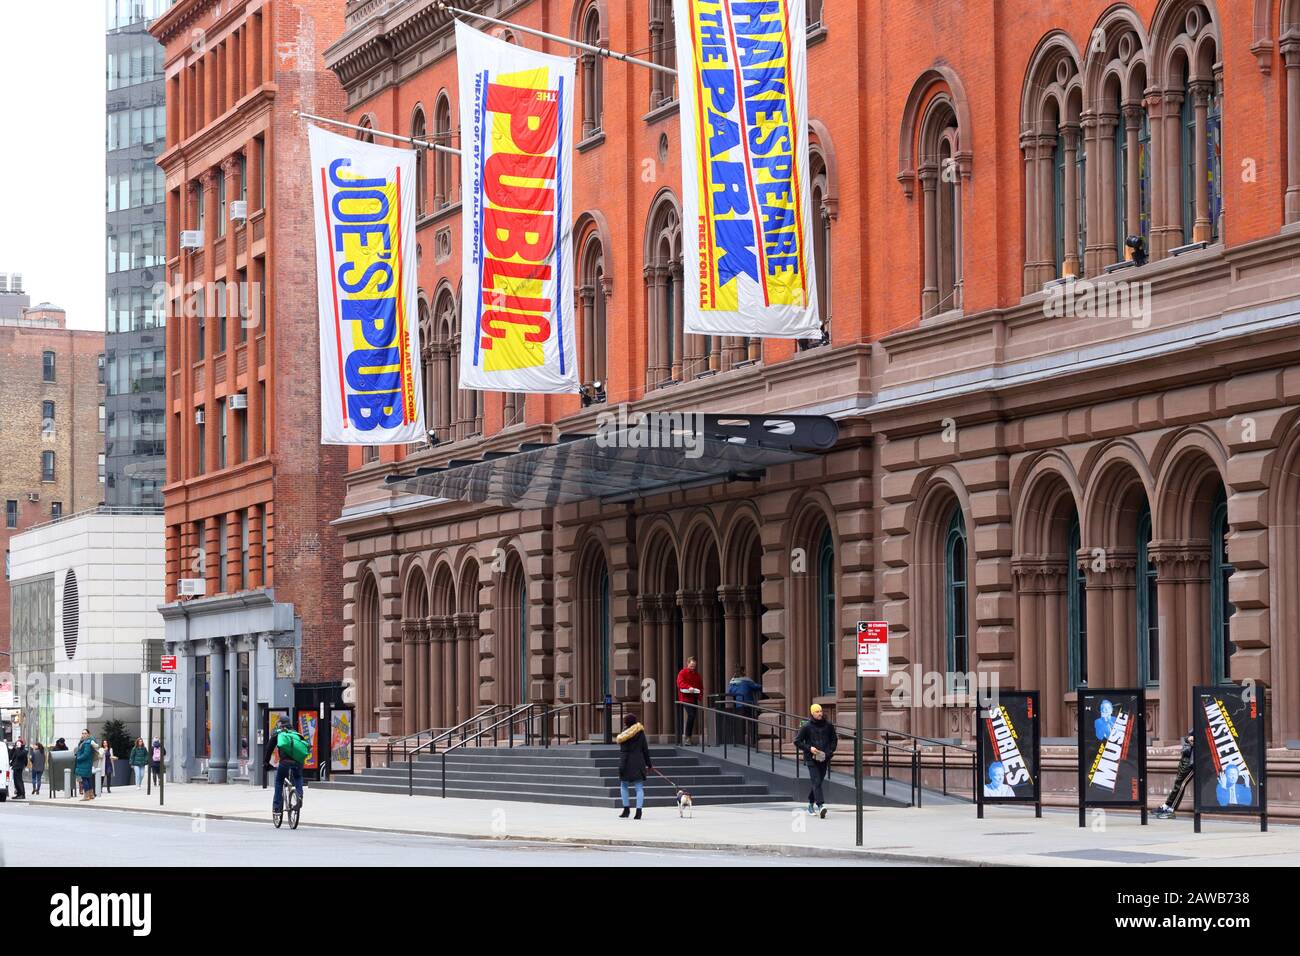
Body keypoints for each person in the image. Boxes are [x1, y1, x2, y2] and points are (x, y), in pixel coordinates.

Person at [794, 703, 838, 818]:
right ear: (812, 713)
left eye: (820, 711)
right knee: (816, 780)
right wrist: (810, 748)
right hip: (811, 759)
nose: (819, 713)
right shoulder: (806, 727)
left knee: (818, 782)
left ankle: (810, 804)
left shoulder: (828, 725)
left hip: (824, 758)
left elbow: (834, 739)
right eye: (817, 712)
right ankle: (820, 805)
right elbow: (797, 741)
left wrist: (830, 752)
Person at [615, 712, 653, 820]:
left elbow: (623, 752)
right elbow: (645, 749)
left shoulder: (623, 735)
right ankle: (638, 811)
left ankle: (626, 809)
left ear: (626, 723)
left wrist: (621, 765)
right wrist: (649, 764)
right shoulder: (641, 733)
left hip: (626, 762)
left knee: (623, 786)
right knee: (639, 788)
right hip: (638, 762)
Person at [265, 723, 307, 818]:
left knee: (279, 781)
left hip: (285, 762)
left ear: (282, 727)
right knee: (298, 776)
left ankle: (277, 808)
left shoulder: (279, 734)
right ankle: (299, 796)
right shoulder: (297, 734)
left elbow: (269, 749)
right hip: (298, 761)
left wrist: (266, 763)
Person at [1155, 729, 1194, 819]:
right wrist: (1189, 738)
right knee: (1178, 783)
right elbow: (1188, 736)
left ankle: (1170, 810)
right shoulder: (1200, 721)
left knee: (1180, 784)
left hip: (1192, 761)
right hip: (1186, 756)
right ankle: (1166, 806)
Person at [725, 665, 762, 746]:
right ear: (743, 671)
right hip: (748, 704)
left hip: (738, 705)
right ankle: (753, 741)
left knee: (740, 723)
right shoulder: (746, 681)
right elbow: (757, 687)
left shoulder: (733, 682)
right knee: (751, 722)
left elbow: (730, 692)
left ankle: (739, 741)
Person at [675, 657, 703, 745]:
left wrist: (699, 695)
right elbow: (680, 683)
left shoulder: (697, 675)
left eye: (694, 666)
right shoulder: (682, 673)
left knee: (693, 716)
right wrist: (689, 687)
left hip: (694, 697)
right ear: (688, 664)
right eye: (691, 666)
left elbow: (700, 686)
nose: (693, 668)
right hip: (685, 698)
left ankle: (689, 737)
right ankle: (687, 737)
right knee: (691, 715)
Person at [74, 730, 98, 801]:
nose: (83, 735)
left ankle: (86, 796)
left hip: (84, 763)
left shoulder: (87, 742)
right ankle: (91, 795)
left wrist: (78, 758)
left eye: (85, 733)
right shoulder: (85, 742)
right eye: (82, 733)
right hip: (86, 763)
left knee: (84, 779)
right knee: (88, 779)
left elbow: (86, 754)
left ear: (88, 734)